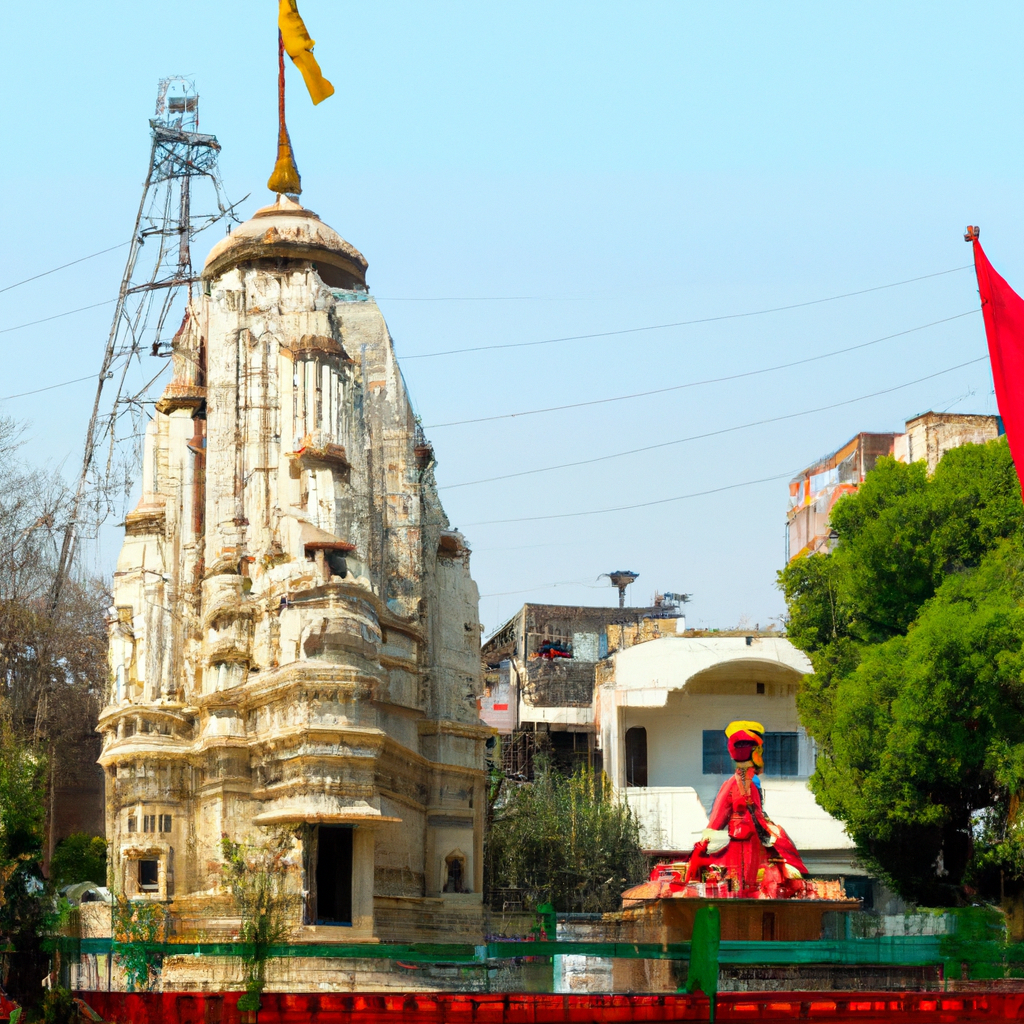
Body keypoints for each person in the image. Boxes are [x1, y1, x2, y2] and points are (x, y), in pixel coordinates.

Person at [684, 720, 808, 897]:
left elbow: (756, 814)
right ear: (753, 752)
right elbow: (716, 822)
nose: (762, 756)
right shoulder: (734, 784)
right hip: (742, 846)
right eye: (759, 750)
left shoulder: (748, 781)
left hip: (753, 845)